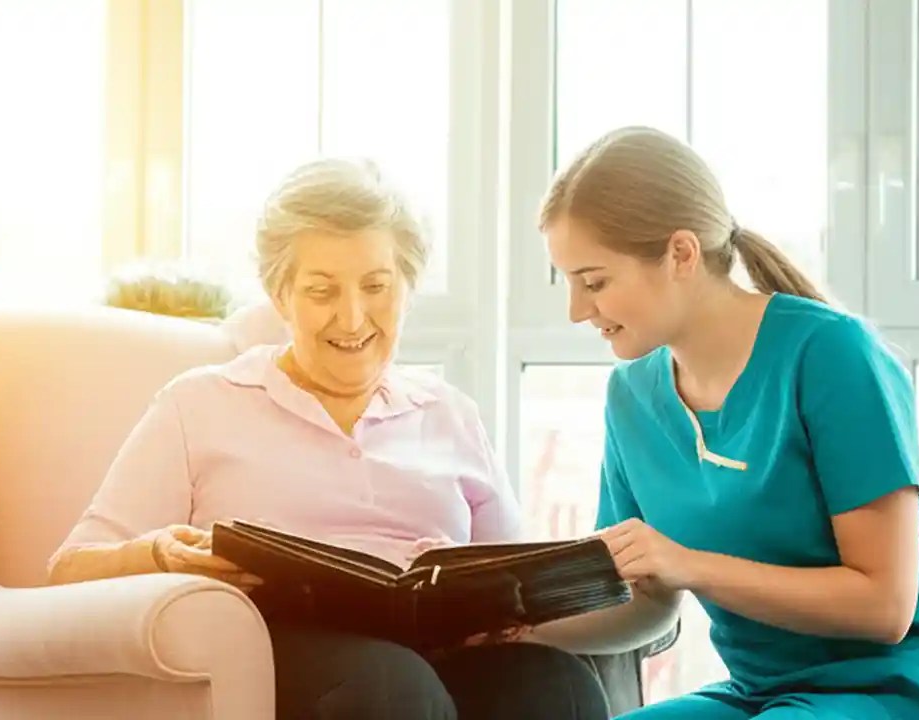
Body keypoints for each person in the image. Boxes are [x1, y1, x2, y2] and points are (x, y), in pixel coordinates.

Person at [46, 158, 610, 720]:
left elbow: (518, 577)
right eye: (322, 291)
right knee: (393, 688)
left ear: (407, 288)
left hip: (434, 651)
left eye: (376, 287)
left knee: (556, 685)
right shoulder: (199, 404)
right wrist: (160, 555)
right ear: (279, 293)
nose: (353, 317)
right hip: (287, 657)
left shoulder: (450, 415)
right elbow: (69, 569)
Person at [525, 126, 919, 719]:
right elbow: (645, 599)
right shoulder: (631, 395)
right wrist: (512, 625)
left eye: (594, 282)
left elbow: (885, 605)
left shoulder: (832, 355)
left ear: (681, 254)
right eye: (568, 283)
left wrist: (690, 563)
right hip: (762, 692)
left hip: (904, 684)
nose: (577, 311)